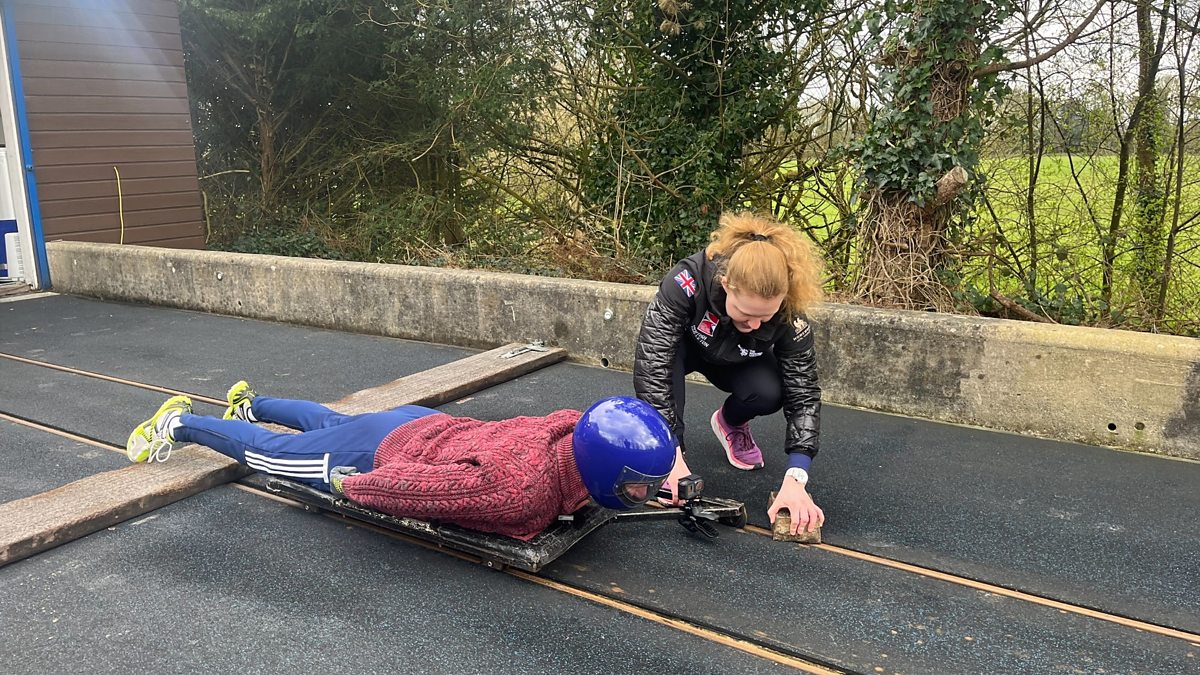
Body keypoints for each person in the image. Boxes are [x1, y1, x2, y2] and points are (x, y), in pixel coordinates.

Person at [126, 382, 676, 540]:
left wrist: (666, 475)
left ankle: (250, 403)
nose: (641, 495)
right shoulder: (521, 492)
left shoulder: (568, 428)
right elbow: (416, 490)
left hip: (420, 422)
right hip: (386, 452)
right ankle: (177, 423)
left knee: (330, 421)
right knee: (269, 454)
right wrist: (353, 487)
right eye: (637, 487)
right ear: (603, 471)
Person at [634, 211, 826, 535]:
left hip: (737, 358)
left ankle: (730, 423)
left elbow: (804, 392)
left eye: (765, 317)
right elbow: (654, 365)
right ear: (726, 285)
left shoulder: (790, 313)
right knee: (663, 379)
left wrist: (797, 478)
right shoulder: (687, 280)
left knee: (771, 391)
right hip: (682, 351)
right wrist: (670, 456)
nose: (755, 324)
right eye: (746, 313)